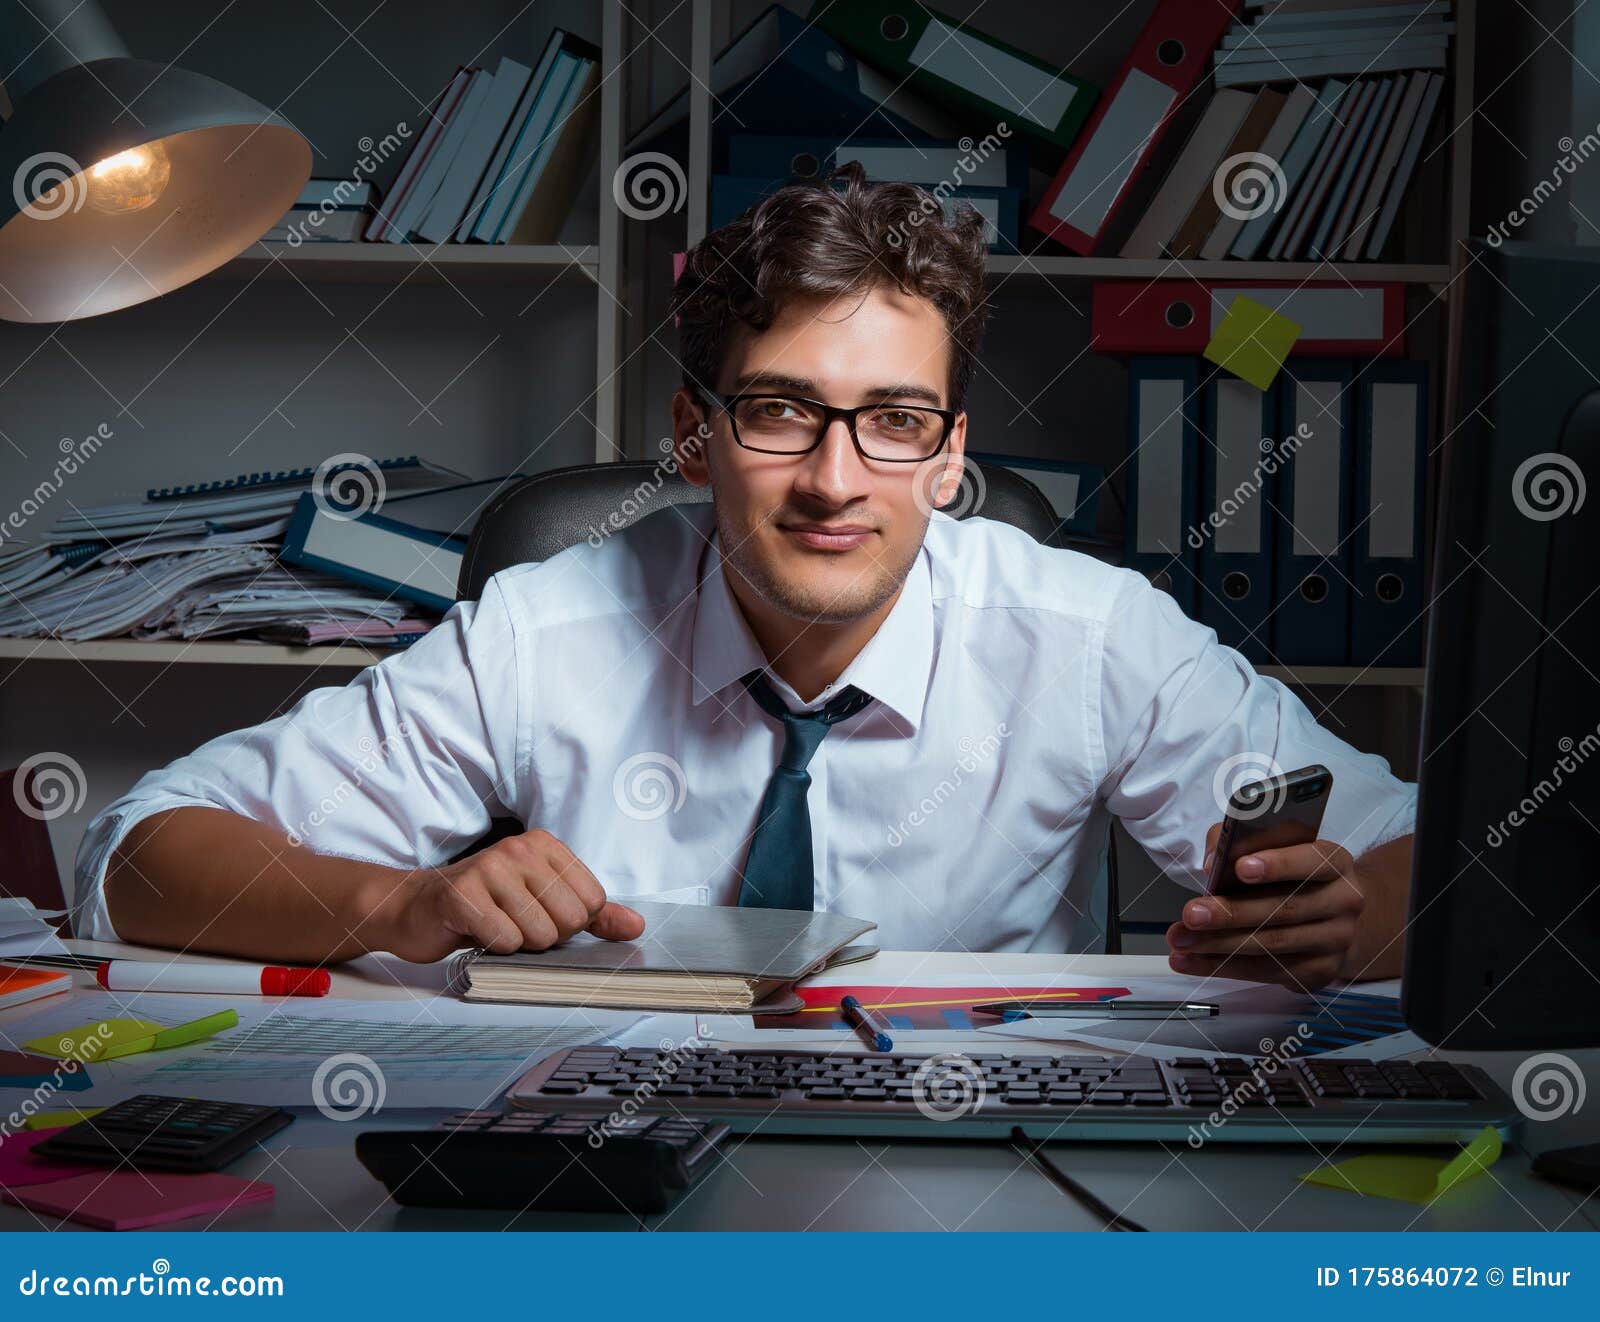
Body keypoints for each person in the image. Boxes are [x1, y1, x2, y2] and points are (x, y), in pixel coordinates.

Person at [75, 167, 1416, 991]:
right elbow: (138, 852)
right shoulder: (544, 633)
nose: (837, 480)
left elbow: (1441, 870)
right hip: (611, 1166)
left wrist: (1343, 925)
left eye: (895, 421)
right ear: (692, 433)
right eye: (781, 411)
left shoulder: (1087, 633)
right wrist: (401, 901)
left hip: (971, 1162)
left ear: (951, 456)